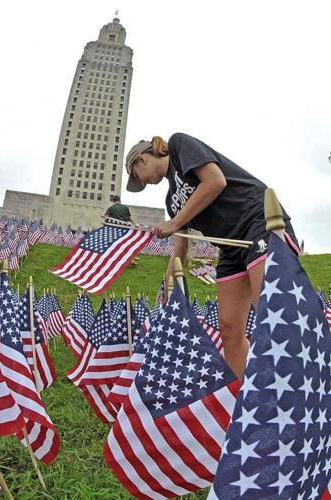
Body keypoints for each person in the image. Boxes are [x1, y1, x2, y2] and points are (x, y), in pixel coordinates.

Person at [124, 133, 300, 379]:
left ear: (141, 159)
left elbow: (215, 181)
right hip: (229, 247)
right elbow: (180, 248)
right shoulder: (170, 200)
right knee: (228, 328)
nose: (142, 183)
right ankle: (241, 397)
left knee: (272, 313)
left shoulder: (178, 145)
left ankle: (293, 389)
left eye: (136, 177)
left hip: (256, 223)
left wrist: (175, 222)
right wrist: (167, 286)